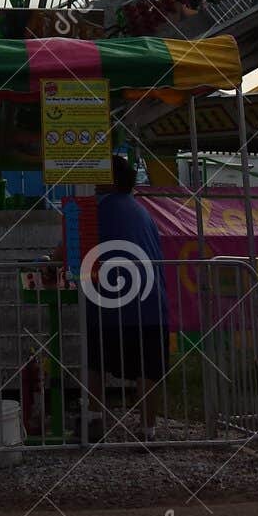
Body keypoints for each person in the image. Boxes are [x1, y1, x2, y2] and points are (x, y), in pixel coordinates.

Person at [83, 155, 169, 443]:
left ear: (110, 180)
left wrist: (45, 260)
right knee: (147, 366)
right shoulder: (142, 211)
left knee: (96, 361)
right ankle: (147, 430)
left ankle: (95, 421)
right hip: (150, 301)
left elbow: (67, 249)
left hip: (107, 303)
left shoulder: (93, 211)